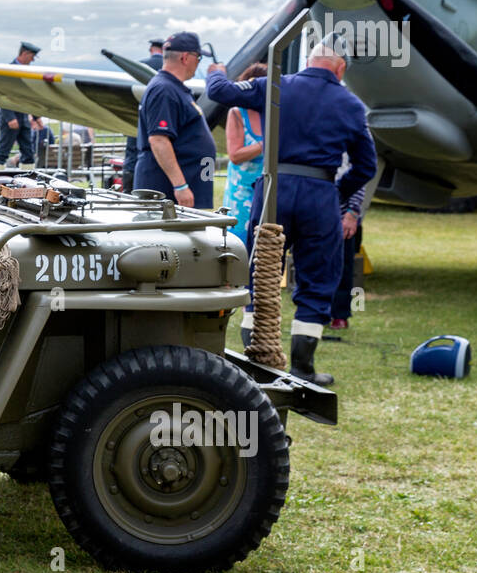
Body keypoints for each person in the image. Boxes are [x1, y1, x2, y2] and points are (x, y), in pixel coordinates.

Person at [206, 40, 377, 385]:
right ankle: (303, 367)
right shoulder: (351, 104)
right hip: (320, 196)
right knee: (317, 278)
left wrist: (215, 73)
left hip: (273, 190)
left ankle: (255, 360)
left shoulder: (275, 85)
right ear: (341, 69)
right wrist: (335, 194)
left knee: (262, 273)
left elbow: (221, 92)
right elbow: (365, 165)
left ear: (310, 61)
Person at [132, 32, 217, 208]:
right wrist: (180, 186)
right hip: (168, 192)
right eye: (199, 57)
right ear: (186, 58)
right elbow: (159, 139)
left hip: (183, 189)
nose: (199, 62)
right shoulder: (164, 90)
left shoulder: (173, 88)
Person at [223, 62, 267, 244]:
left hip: (267, 190)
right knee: (240, 242)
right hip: (242, 194)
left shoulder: (273, 113)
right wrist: (265, 144)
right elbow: (235, 155)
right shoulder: (237, 113)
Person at [0, 41, 41, 172]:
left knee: (28, 152)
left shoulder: (27, 71)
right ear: (25, 53)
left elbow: (28, 96)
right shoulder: (8, 71)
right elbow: (2, 95)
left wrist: (36, 117)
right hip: (10, 117)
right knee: (4, 150)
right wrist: (10, 117)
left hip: (24, 116)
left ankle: (28, 179)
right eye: (32, 56)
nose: (32, 60)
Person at [120, 37, 164, 190]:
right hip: (162, 119)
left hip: (137, 117)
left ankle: (128, 189)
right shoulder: (167, 67)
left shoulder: (139, 66)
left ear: (151, 50)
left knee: (132, 155)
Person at [330, 166, 368, 330]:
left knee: (343, 268)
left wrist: (352, 212)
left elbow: (362, 171)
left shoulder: (349, 142)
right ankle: (316, 313)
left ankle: (340, 315)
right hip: (314, 212)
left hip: (344, 216)